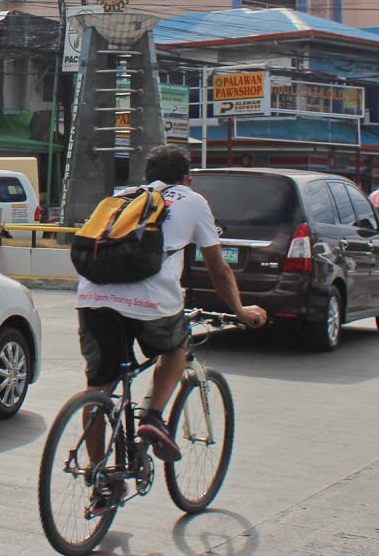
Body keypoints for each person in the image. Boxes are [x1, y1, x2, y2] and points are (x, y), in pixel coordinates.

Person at [76, 144, 267, 464]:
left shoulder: (124, 196)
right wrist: (241, 311)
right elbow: (218, 270)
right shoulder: (192, 201)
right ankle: (152, 419)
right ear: (187, 179)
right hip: (152, 302)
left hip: (92, 297)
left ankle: (98, 477)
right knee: (176, 349)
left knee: (98, 389)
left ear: (148, 177)